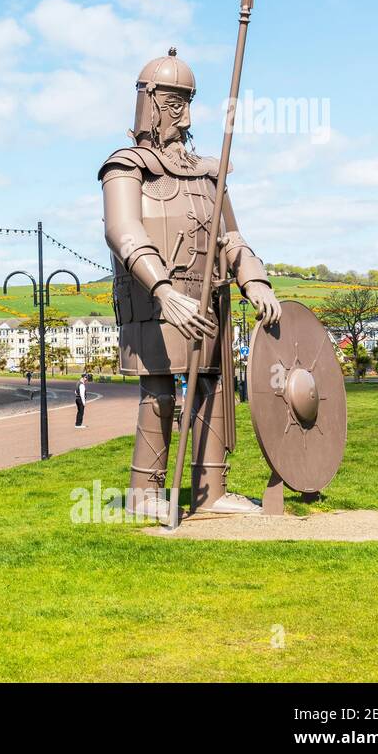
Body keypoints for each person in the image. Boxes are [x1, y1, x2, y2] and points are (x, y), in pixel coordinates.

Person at [99, 48, 281, 519]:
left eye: (190, 102)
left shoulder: (208, 173)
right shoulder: (125, 166)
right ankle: (144, 496)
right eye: (176, 103)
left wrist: (253, 279)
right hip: (155, 303)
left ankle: (210, 491)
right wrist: (162, 289)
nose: (187, 116)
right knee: (159, 391)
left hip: (208, 300)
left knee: (212, 387)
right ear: (152, 104)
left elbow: (231, 237)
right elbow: (122, 230)